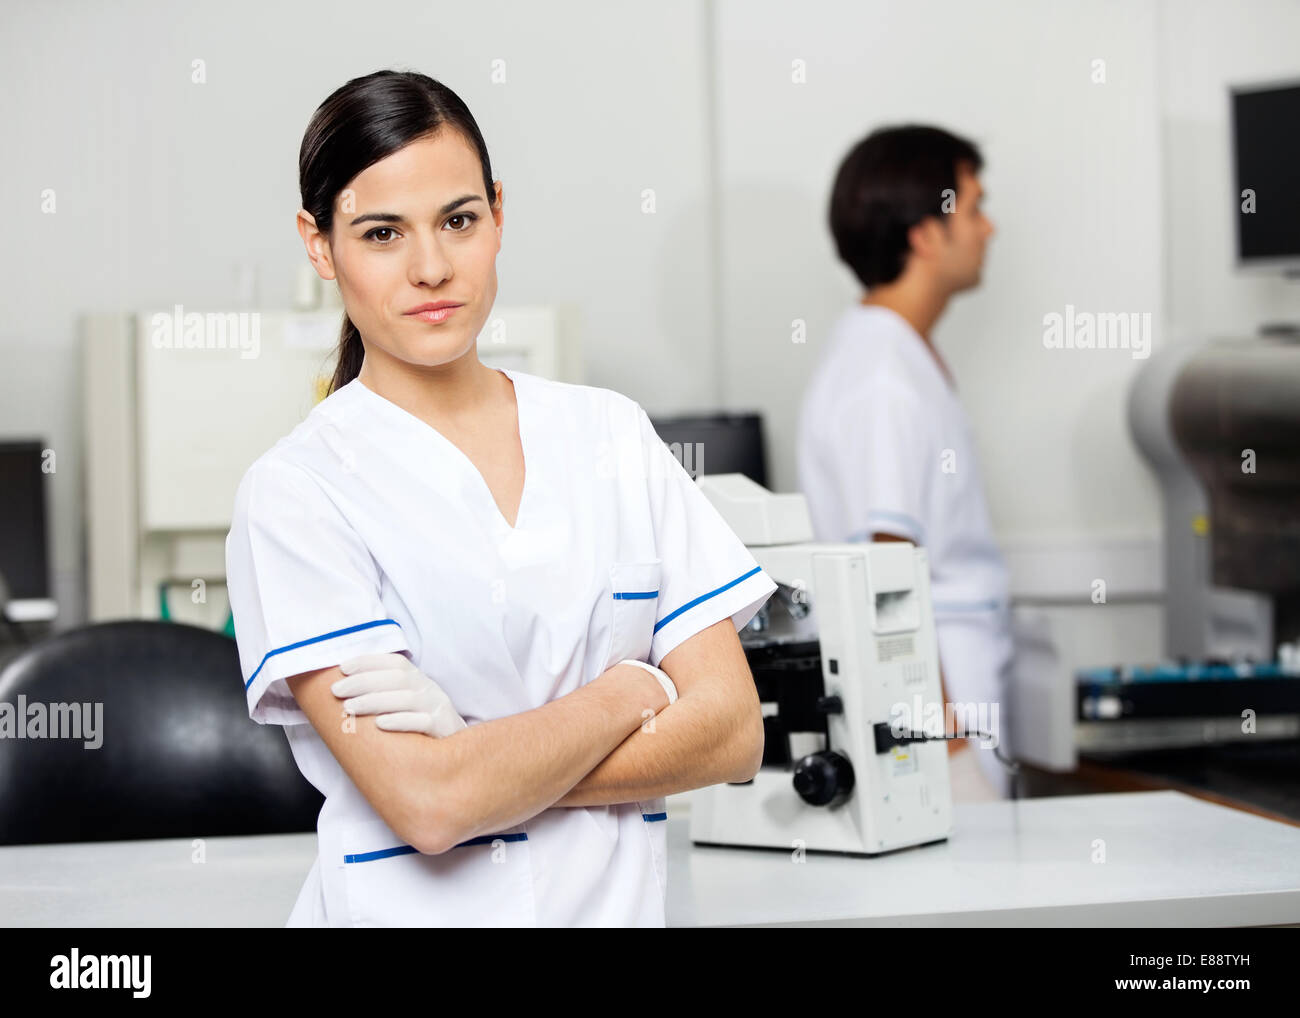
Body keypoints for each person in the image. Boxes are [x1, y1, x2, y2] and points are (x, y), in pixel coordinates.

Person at [224, 69, 778, 927]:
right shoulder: (298, 494)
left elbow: (734, 729)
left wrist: (481, 759)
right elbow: (430, 807)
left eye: (458, 219)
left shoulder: (610, 436)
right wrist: (629, 691)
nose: (431, 267)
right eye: (381, 233)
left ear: (498, 214)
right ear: (318, 244)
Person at [796, 125, 1013, 800]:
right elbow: (884, 578)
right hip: (939, 737)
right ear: (925, 234)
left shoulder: (899, 357)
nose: (990, 228)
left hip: (960, 708)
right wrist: (947, 755)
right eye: (973, 208)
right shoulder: (883, 378)